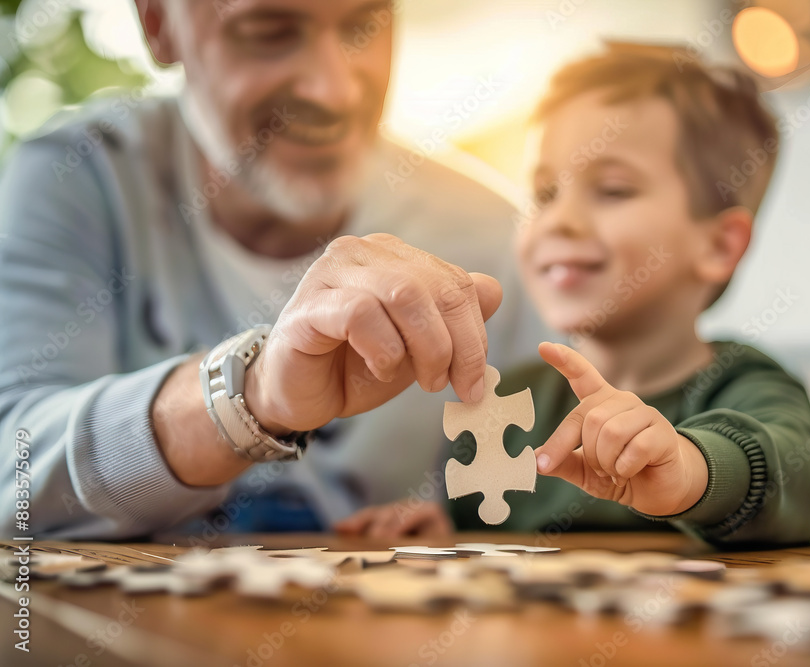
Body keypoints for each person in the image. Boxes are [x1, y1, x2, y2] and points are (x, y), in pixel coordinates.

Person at [0, 0, 546, 539]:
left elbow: (563, 483)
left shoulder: (494, 234)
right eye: (267, 31)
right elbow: (12, 471)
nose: (333, 90)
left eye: (365, 23)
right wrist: (250, 395)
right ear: (158, 23)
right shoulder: (77, 179)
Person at [336, 43, 810, 545]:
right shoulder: (502, 398)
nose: (560, 220)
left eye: (613, 190)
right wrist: (443, 530)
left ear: (719, 244)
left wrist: (693, 470)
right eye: (546, 194)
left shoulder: (745, 384)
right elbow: (491, 538)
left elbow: (797, 477)